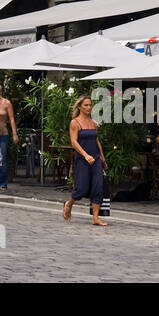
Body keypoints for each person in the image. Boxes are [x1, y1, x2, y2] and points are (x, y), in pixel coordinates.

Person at [63, 95, 108, 226]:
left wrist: (102, 157)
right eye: (86, 105)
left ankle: (95, 218)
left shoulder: (93, 123)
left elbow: (96, 140)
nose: (89, 107)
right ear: (79, 107)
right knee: (81, 188)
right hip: (83, 159)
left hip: (96, 158)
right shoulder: (75, 123)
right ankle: (69, 204)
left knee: (98, 187)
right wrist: (85, 155)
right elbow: (73, 141)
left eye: (90, 105)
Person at [0, 81, 18, 191]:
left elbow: (12, 119)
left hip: (3, 133)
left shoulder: (7, 103)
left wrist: (15, 133)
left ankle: (3, 182)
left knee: (2, 158)